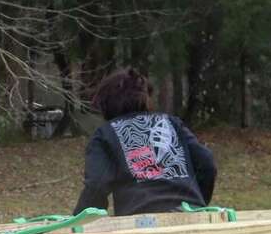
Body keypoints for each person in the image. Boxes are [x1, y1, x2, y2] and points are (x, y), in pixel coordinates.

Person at [74, 67, 217, 216]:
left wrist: (79, 222)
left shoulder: (105, 134)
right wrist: (196, 203)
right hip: (190, 215)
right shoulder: (171, 123)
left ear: (106, 104)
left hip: (141, 221)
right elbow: (206, 163)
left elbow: (97, 186)